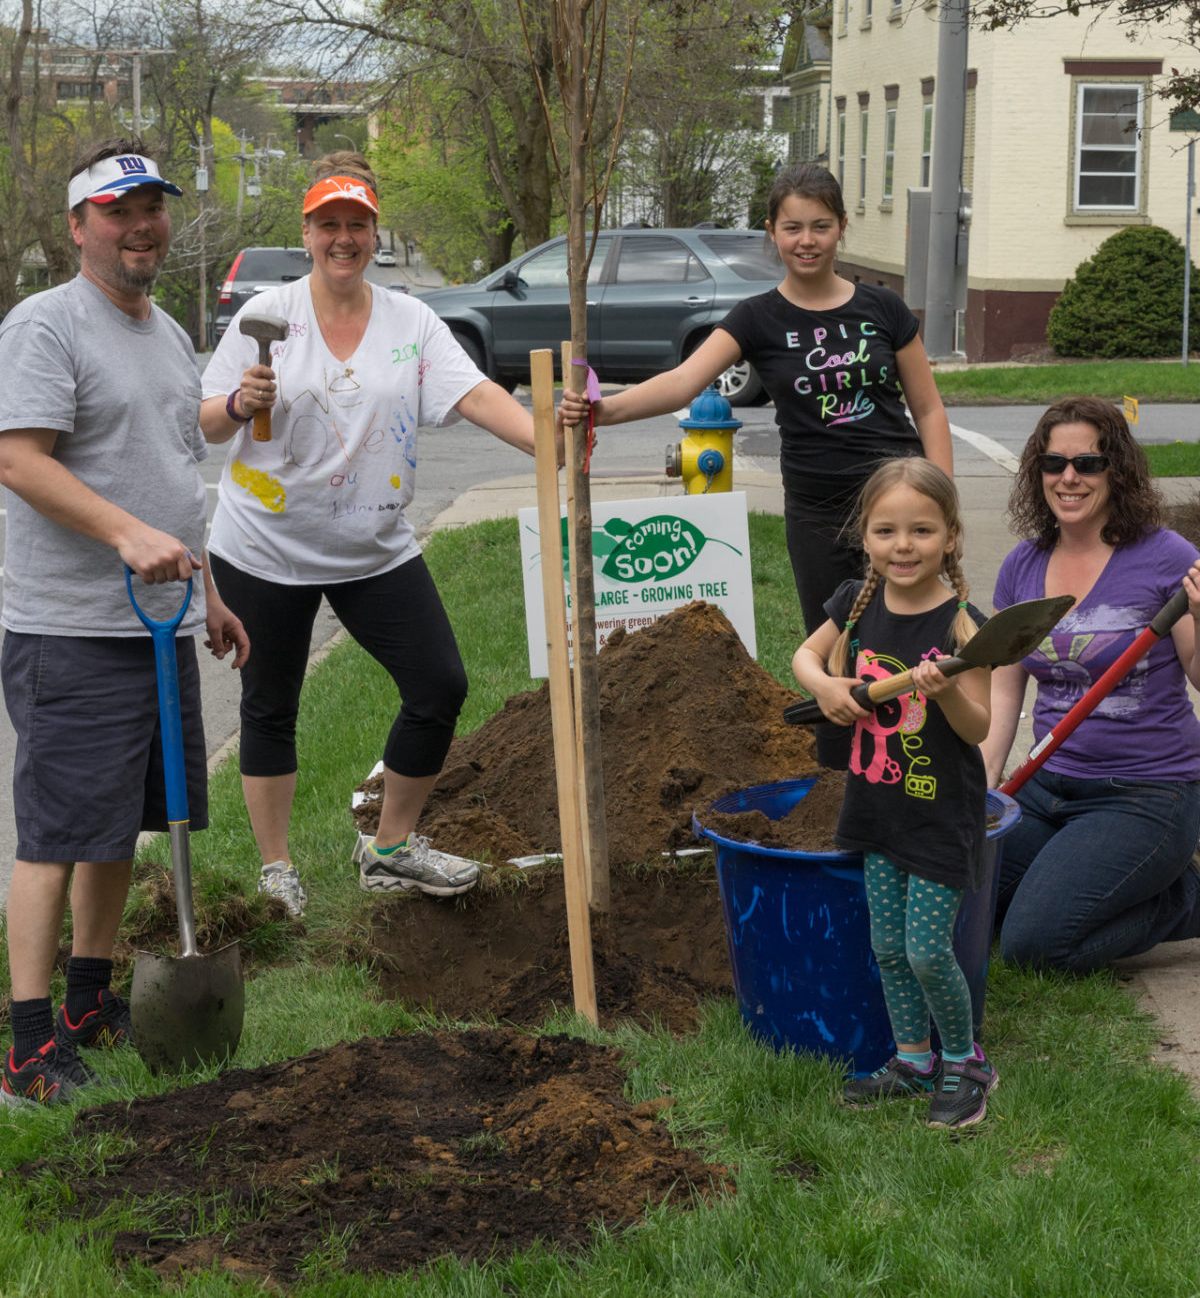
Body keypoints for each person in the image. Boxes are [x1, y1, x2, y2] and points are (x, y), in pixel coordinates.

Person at [200, 151, 554, 915]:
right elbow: (201, 420)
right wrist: (237, 401)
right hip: (264, 545)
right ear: (308, 232)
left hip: (373, 548)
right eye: (329, 224)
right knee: (270, 704)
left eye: (357, 224)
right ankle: (277, 870)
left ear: (373, 233)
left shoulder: (410, 319)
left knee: (438, 684)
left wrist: (546, 441)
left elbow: (476, 395)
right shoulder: (268, 316)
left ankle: (388, 849)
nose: (344, 238)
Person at [0, 138, 249, 1108]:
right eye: (118, 209)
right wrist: (124, 535)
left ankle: (84, 1004)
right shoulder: (45, 326)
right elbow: (20, 460)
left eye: (152, 205)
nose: (141, 224)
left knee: (119, 831)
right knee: (56, 837)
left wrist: (212, 592)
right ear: (78, 226)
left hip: (163, 621)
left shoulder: (164, 331)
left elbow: (176, 481)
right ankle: (23, 1051)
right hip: (71, 630)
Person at [559, 163, 952, 769]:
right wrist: (601, 412)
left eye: (821, 225)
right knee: (835, 647)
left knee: (910, 636)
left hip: (899, 505)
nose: (807, 240)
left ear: (842, 228)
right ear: (772, 231)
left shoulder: (884, 307)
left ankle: (917, 766)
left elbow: (927, 408)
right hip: (819, 512)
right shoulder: (758, 316)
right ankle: (837, 781)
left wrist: (941, 505)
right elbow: (685, 380)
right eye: (792, 226)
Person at [792, 458, 998, 1129]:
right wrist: (826, 688)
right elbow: (805, 657)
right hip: (878, 805)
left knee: (926, 950)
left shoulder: (965, 625)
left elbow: (980, 726)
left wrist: (945, 697)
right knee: (887, 944)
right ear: (867, 536)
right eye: (886, 530)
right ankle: (913, 1061)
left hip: (940, 814)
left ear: (951, 538)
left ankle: (965, 1063)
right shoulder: (857, 599)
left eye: (921, 530)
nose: (903, 545)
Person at [982, 396, 1200, 973]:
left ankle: (1187, 897)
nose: (1069, 478)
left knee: (1034, 946)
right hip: (1045, 787)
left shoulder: (1164, 557)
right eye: (1054, 464)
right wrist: (986, 786)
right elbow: (1006, 690)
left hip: (1146, 793)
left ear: (1117, 471)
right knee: (974, 909)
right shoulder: (1021, 567)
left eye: (1088, 464)